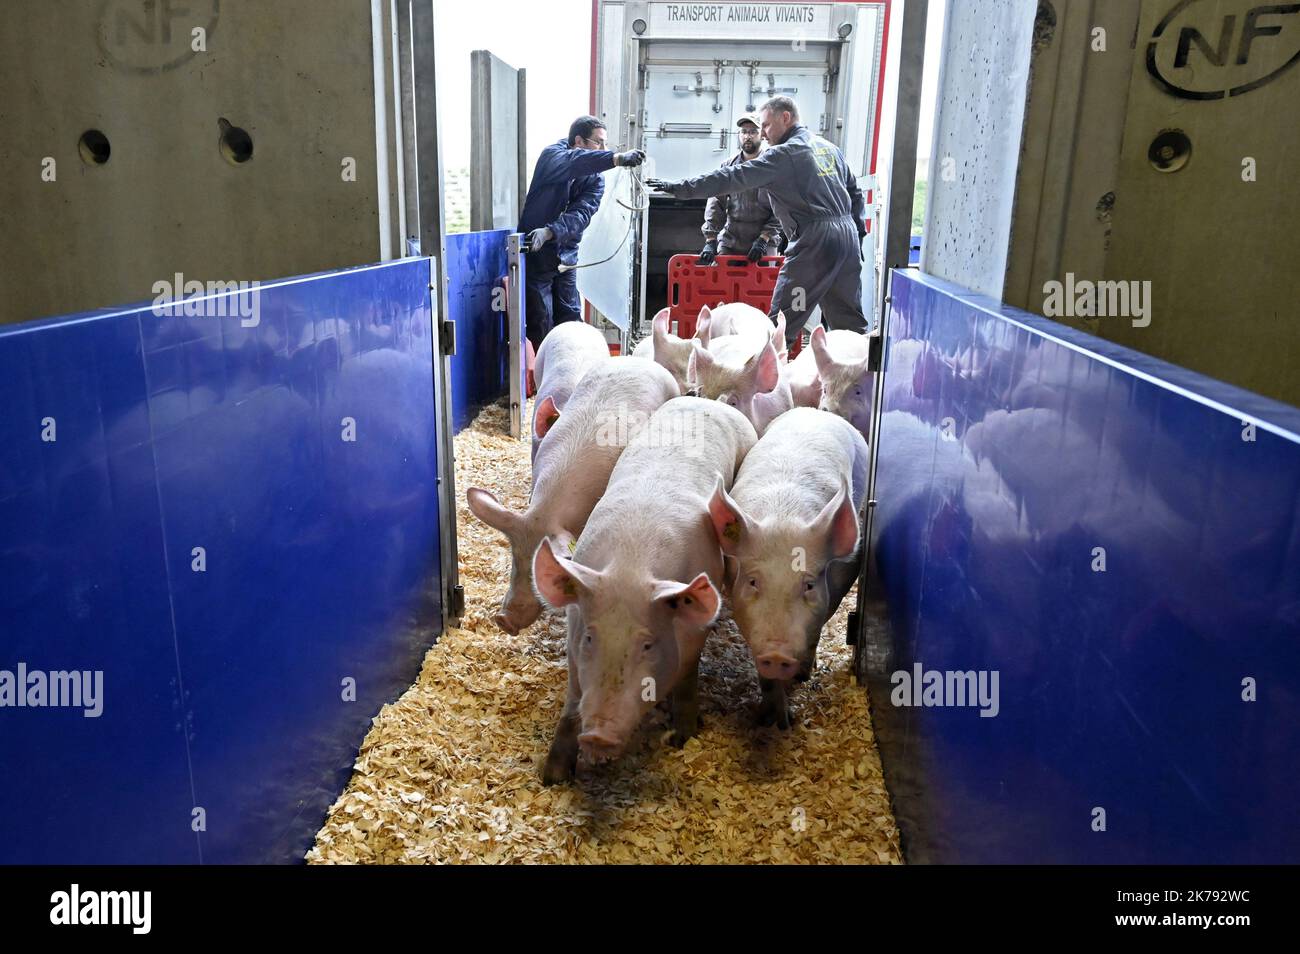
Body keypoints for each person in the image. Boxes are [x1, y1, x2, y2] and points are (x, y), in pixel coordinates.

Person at [648, 96, 868, 346]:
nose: (762, 134)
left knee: (781, 324)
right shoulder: (828, 148)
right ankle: (858, 379)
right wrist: (858, 234)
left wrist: (679, 188)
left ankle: (765, 382)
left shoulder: (784, 154)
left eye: (765, 125)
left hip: (814, 241)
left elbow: (731, 177)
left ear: (785, 118)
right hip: (847, 239)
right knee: (850, 325)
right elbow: (855, 192)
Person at [517, 116, 645, 348]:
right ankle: (541, 380)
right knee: (541, 322)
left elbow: (582, 213)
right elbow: (574, 161)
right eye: (599, 143)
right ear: (578, 141)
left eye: (606, 145)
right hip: (538, 257)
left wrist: (550, 232)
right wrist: (614, 159)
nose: (604, 149)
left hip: (566, 256)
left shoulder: (596, 180)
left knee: (571, 318)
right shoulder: (552, 157)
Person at [698, 113, 782, 265]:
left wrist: (764, 238)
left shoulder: (772, 166)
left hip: (765, 241)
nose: (747, 136)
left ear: (762, 135)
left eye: (752, 132)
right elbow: (716, 202)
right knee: (721, 285)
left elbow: (782, 206)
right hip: (732, 241)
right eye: (743, 132)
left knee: (765, 286)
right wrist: (710, 240)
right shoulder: (728, 166)